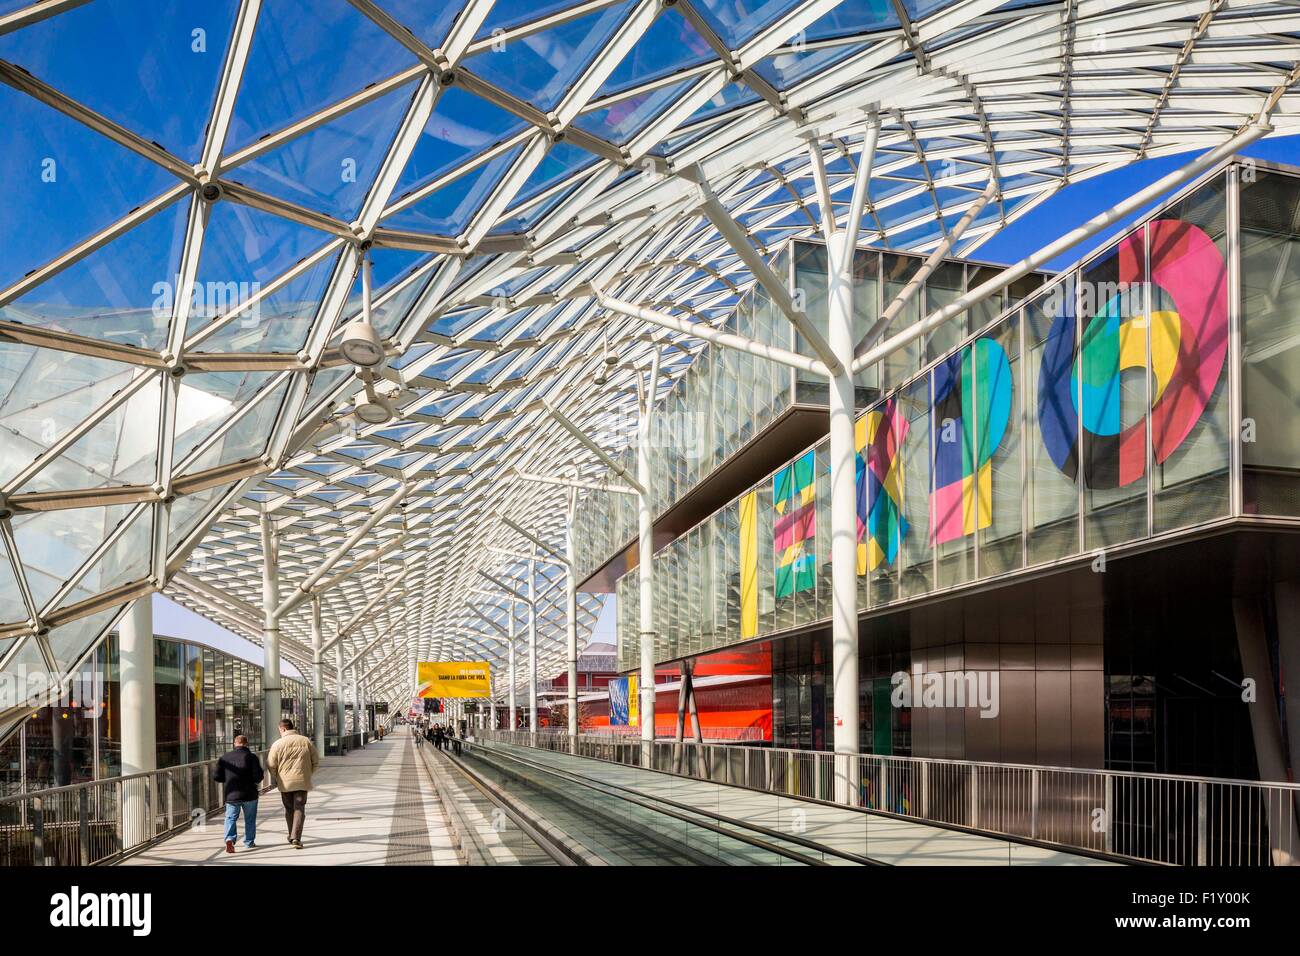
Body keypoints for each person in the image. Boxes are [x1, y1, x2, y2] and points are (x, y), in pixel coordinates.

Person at [266, 718, 319, 850]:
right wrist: (307, 774)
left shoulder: (277, 744)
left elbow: (271, 764)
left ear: (283, 729)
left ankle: (291, 835)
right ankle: (296, 837)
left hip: (285, 783)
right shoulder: (305, 741)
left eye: (279, 730)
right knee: (299, 808)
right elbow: (316, 760)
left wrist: (277, 777)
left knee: (289, 809)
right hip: (302, 781)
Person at [213, 734, 264, 854]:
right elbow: (259, 776)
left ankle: (230, 839)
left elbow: (216, 776)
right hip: (250, 794)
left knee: (230, 818)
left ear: (234, 744)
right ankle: (249, 842)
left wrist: (226, 781)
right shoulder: (252, 757)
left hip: (232, 794)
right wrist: (254, 783)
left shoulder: (224, 757)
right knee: (250, 819)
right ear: (246, 744)